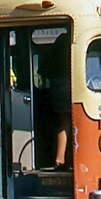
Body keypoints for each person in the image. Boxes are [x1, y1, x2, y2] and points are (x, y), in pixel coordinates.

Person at [38, 32, 72, 168]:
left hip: (56, 88)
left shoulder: (57, 47)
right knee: (69, 123)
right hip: (69, 87)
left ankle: (60, 158)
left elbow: (43, 72)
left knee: (64, 124)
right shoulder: (72, 43)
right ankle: (64, 158)